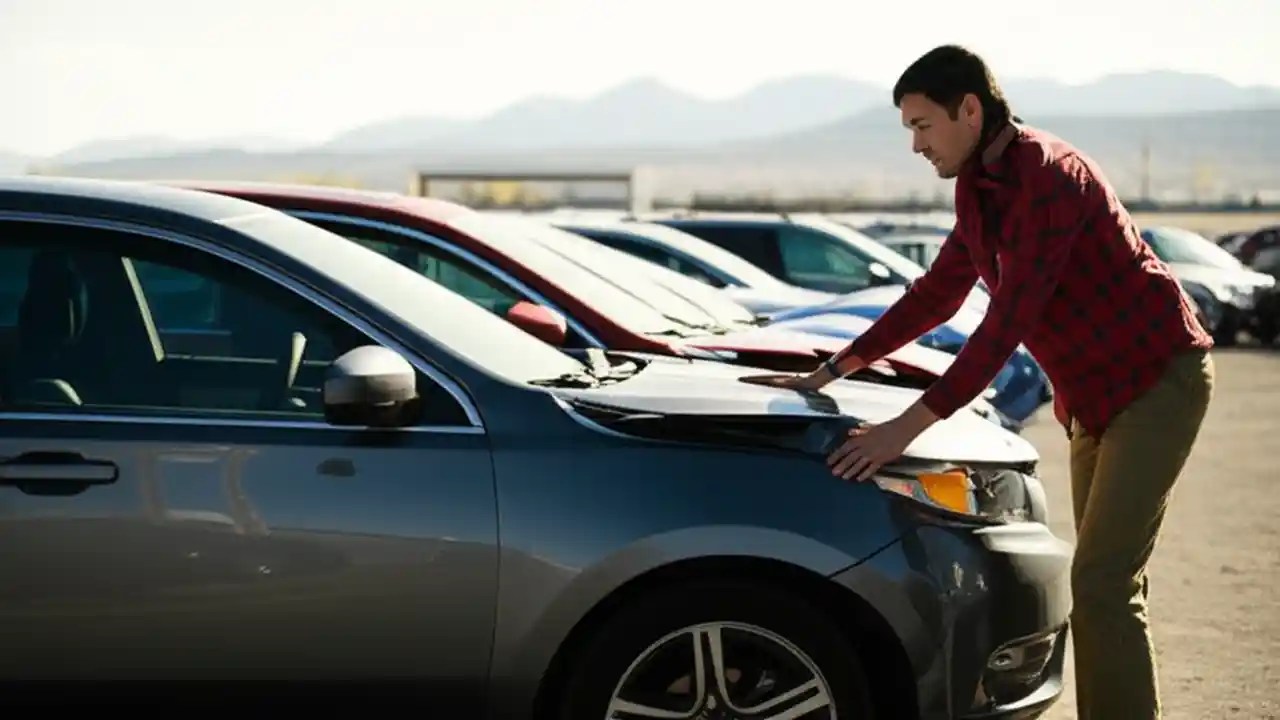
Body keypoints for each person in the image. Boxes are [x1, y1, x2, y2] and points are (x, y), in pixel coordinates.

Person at [741, 44, 1215, 720]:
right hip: (1091, 400)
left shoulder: (1050, 176)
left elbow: (1005, 324)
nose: (915, 145)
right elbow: (936, 294)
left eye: (922, 125)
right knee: (1110, 584)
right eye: (908, 128)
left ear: (971, 109)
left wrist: (901, 430)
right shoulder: (976, 187)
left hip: (1156, 378)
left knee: (1102, 583)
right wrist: (830, 369)